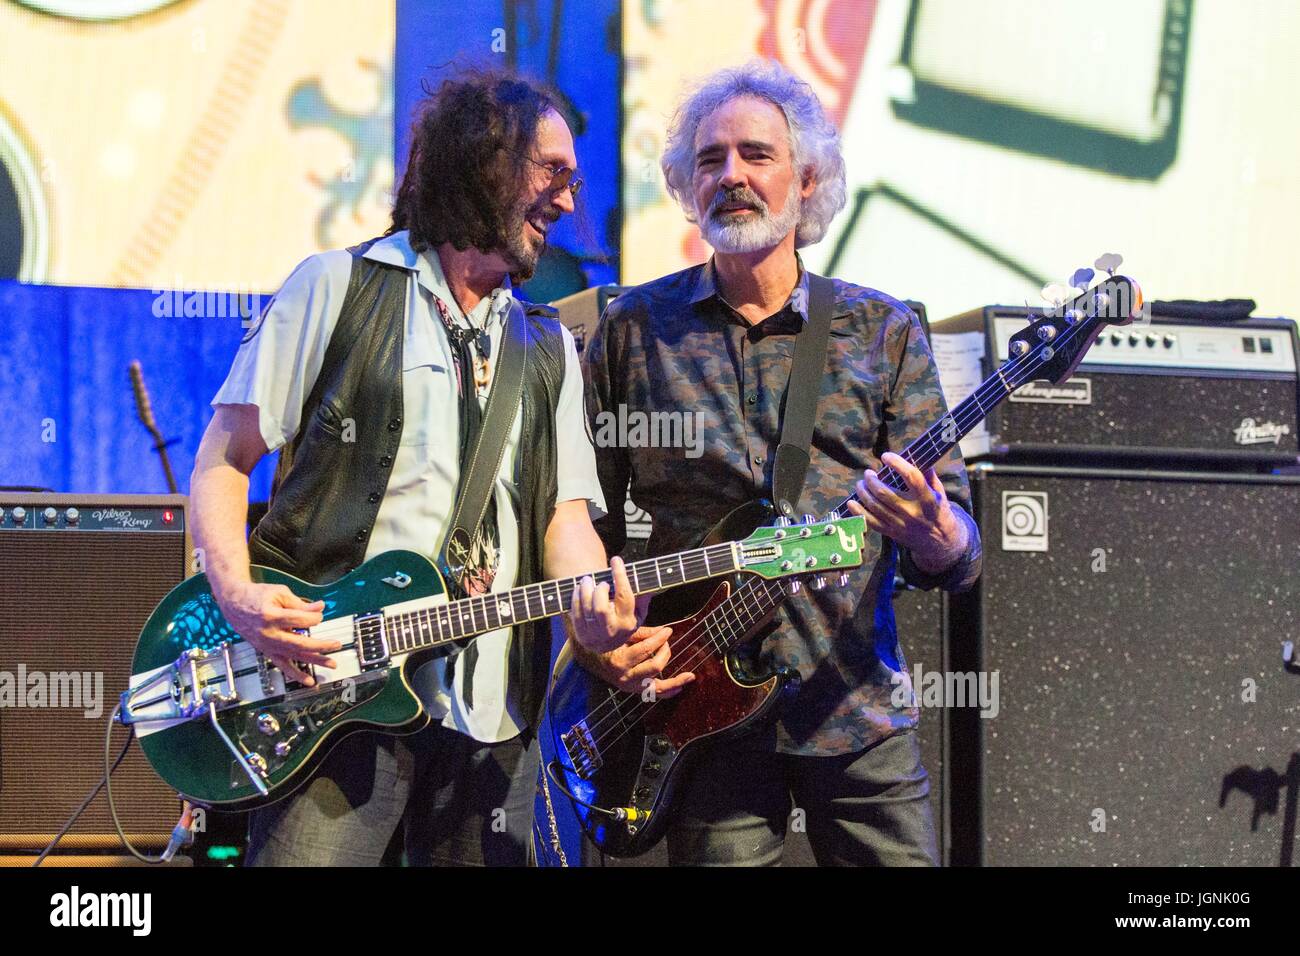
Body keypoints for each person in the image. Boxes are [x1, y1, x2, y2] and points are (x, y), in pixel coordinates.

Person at [190, 70, 643, 866]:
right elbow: (224, 462)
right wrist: (236, 595)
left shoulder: (547, 352)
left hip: (491, 720)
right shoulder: (336, 288)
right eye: (553, 174)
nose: (569, 203)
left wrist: (591, 611)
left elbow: (563, 520)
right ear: (483, 164)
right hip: (336, 699)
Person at [578, 60, 983, 866]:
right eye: (710, 158)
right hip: (700, 719)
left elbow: (959, 550)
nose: (732, 175)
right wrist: (598, 640)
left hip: (856, 710)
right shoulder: (633, 329)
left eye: (756, 155)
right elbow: (585, 519)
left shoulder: (881, 329)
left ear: (807, 180)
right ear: (688, 188)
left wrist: (935, 530)